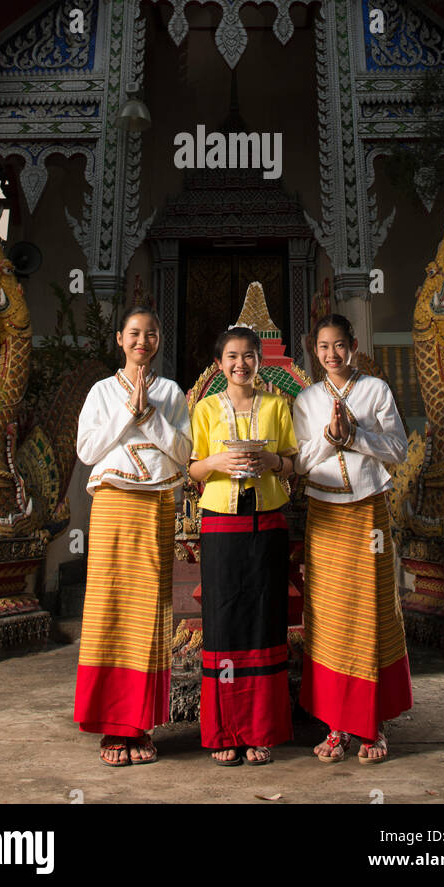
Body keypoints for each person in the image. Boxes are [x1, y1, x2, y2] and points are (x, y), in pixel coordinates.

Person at [73, 305, 191, 766]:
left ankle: (140, 726)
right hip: (113, 505)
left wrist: (152, 416)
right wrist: (128, 412)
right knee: (110, 608)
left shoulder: (173, 393)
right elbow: (87, 451)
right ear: (120, 339)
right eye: (135, 334)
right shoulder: (102, 392)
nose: (143, 341)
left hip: (156, 505)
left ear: (159, 341)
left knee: (150, 614)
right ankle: (111, 728)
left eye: (152, 334)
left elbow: (184, 453)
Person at [293, 313, 412, 764]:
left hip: (369, 513)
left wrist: (356, 435)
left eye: (339, 345)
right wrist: (329, 437)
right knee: (328, 615)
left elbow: (398, 449)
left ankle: (373, 726)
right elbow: (301, 461)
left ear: (354, 345)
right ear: (314, 350)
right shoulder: (306, 400)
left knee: (372, 610)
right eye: (323, 347)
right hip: (325, 515)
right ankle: (337, 724)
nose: (331, 354)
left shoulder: (375, 390)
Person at [189, 324, 298, 766]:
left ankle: (261, 731)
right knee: (223, 619)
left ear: (260, 361)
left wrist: (271, 461)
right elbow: (193, 469)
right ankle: (224, 732)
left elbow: (292, 463)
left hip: (268, 521)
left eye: (249, 355)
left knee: (264, 618)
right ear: (219, 365)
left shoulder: (277, 407)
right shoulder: (205, 410)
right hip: (219, 523)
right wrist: (218, 461)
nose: (241, 363)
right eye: (232, 356)